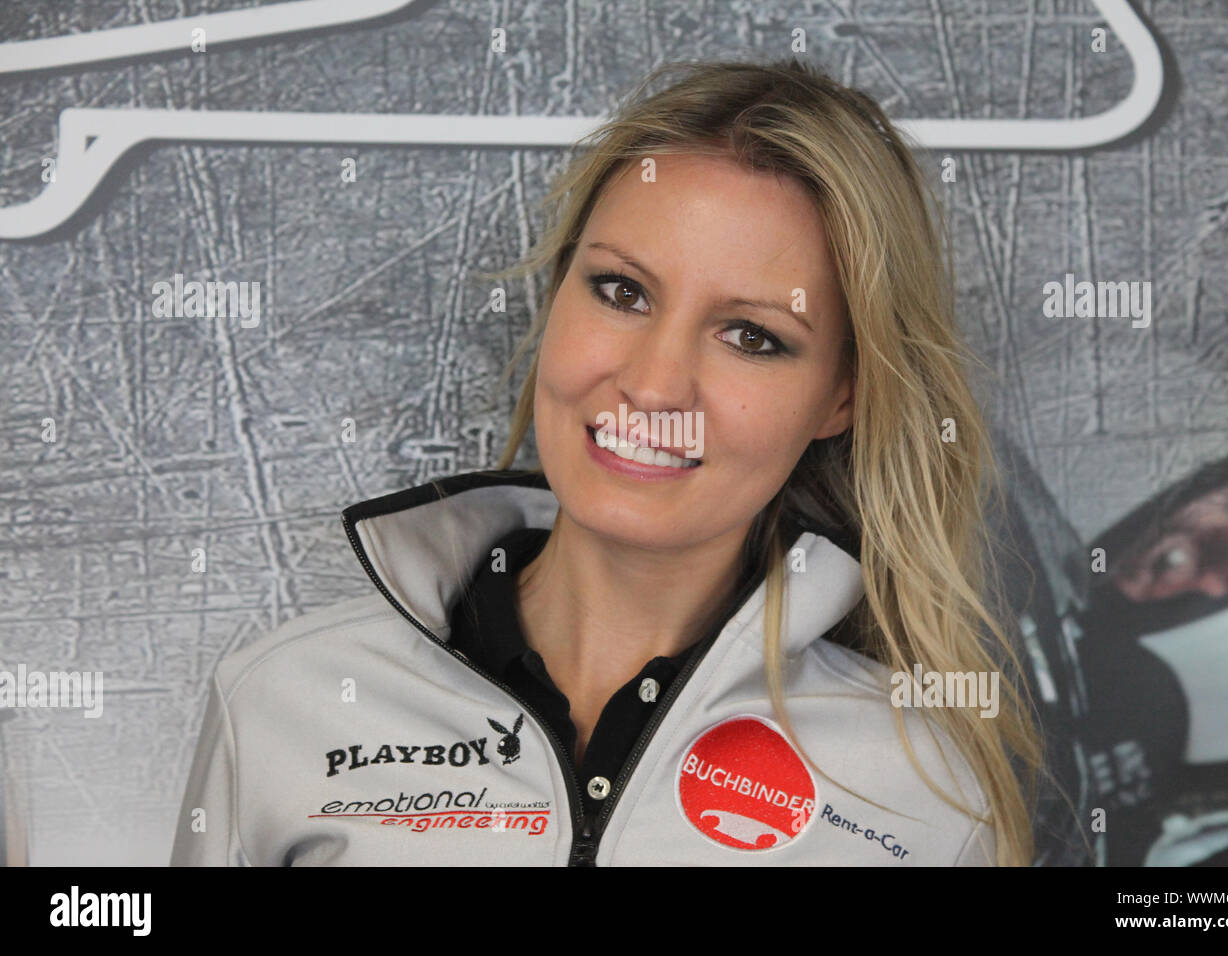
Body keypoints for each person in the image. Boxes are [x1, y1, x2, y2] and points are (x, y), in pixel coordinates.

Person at [170, 57, 1049, 866]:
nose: (655, 385)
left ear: (842, 396)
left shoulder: (924, 792)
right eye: (622, 292)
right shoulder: (284, 700)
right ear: (556, 299)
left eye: (752, 336)